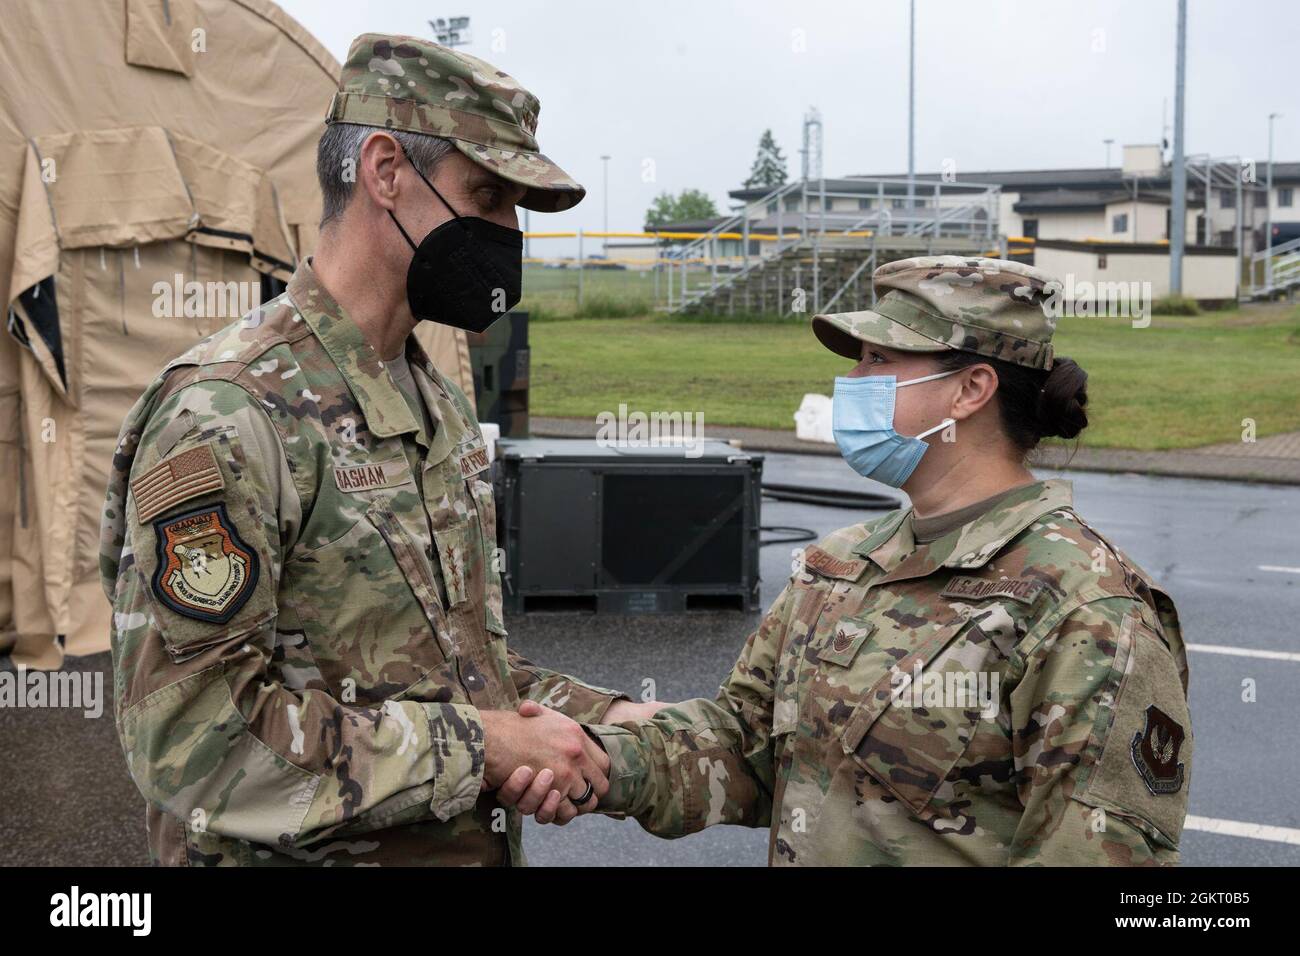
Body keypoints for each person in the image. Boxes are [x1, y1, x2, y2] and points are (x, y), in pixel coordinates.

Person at [99, 32, 658, 867]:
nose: (507, 234)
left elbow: (462, 674)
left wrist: (602, 720)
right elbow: (195, 746)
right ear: (387, 170)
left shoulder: (435, 404)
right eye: (488, 195)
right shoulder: (227, 411)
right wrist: (486, 751)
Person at [579, 256, 1192, 865]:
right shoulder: (839, 563)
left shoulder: (1085, 604)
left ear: (970, 389)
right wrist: (591, 762)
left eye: (879, 359)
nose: (853, 379)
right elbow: (746, 748)